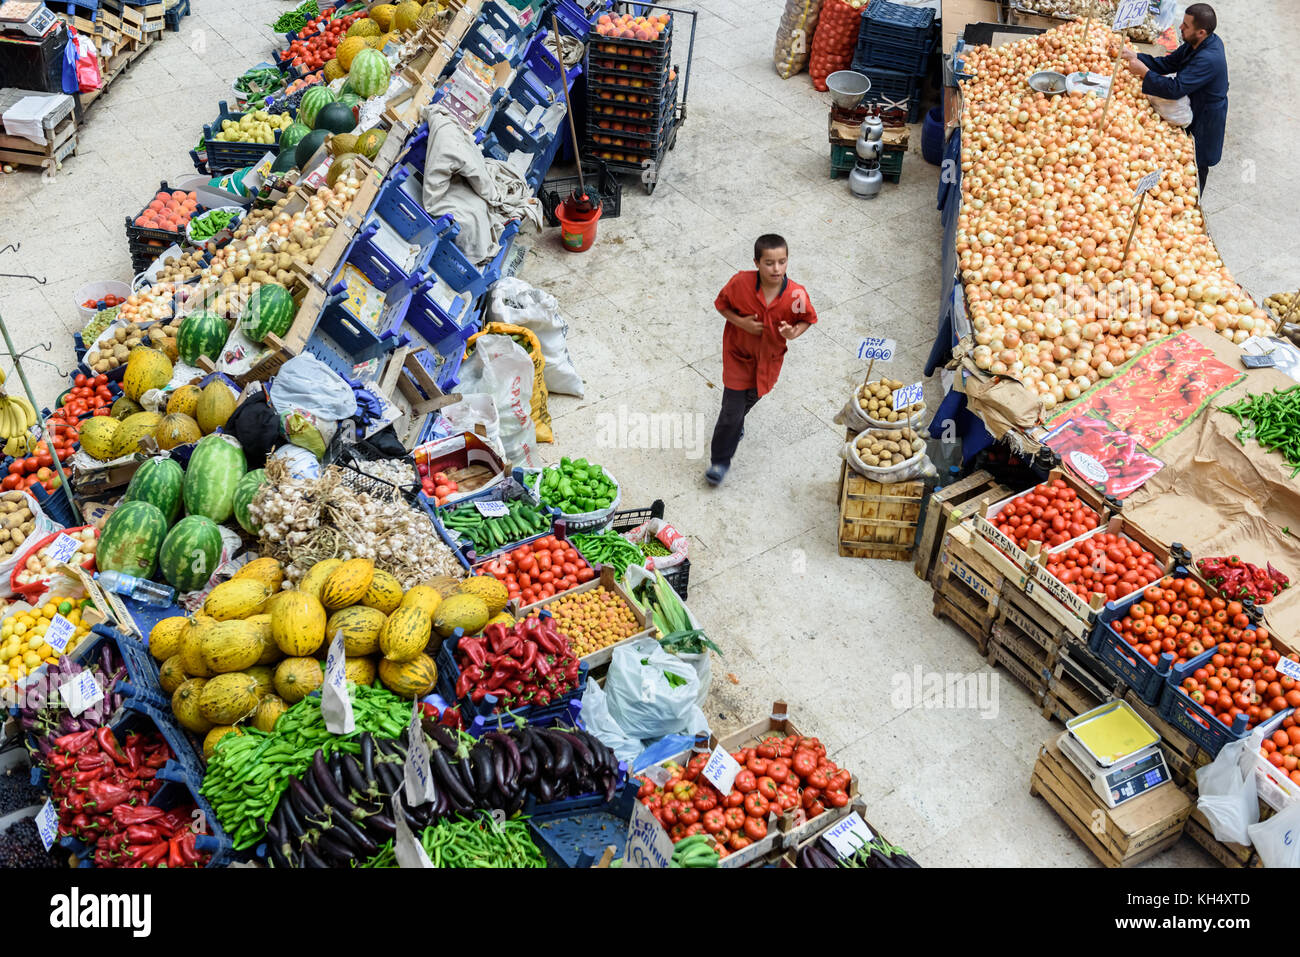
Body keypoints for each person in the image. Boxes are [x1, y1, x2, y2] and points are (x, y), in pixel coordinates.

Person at [705, 235, 817, 486]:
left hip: (769, 361)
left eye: (782, 262)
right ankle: (719, 462)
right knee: (730, 410)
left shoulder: (796, 294)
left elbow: (806, 319)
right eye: (769, 263)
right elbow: (721, 305)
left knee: (751, 398)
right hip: (738, 356)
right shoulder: (739, 283)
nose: (776, 268)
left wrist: (793, 332)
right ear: (756, 262)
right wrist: (741, 322)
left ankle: (736, 424)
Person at [1120, 3, 1228, 194]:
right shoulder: (1195, 42)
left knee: (1197, 161)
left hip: (1206, 117)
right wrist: (1136, 56)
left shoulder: (1209, 58)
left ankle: (1195, 198)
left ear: (1201, 32)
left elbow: (1175, 89)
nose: (1180, 28)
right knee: (1183, 155)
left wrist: (1145, 73)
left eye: (1186, 26)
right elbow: (1169, 63)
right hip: (1193, 104)